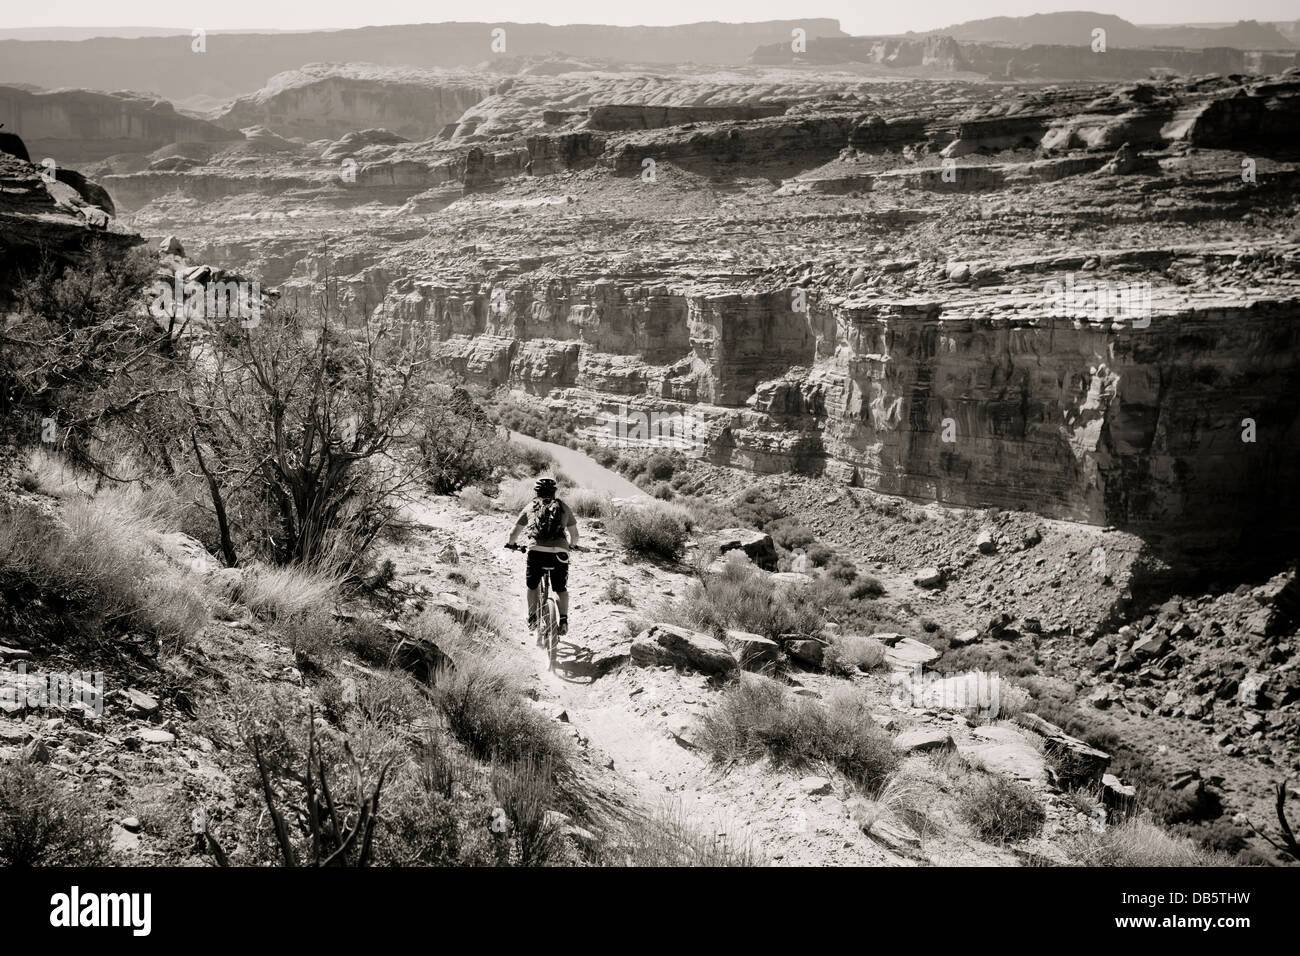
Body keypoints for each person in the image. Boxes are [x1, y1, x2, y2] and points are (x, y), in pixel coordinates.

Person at [506, 476, 580, 636]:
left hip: (536, 551)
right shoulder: (563, 507)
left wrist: (511, 544)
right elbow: (575, 534)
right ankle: (564, 620)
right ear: (554, 492)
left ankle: (532, 618)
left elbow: (514, 532)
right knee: (560, 589)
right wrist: (572, 546)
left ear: (536, 491)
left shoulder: (531, 506)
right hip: (560, 552)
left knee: (532, 586)